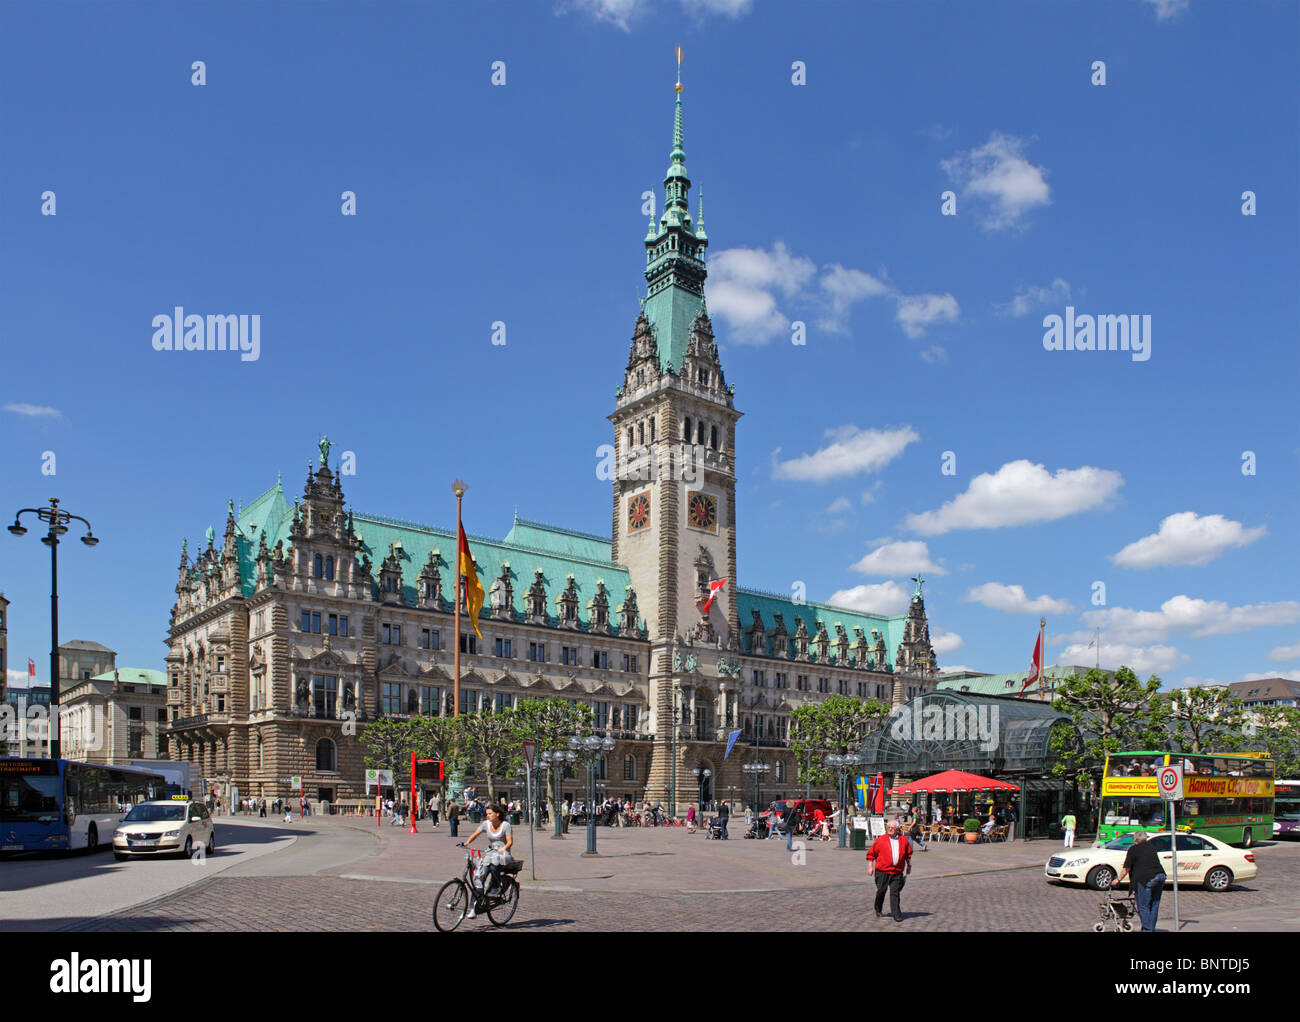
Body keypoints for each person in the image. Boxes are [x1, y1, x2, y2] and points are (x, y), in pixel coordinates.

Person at [459, 802, 515, 919]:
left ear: (497, 814)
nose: (487, 816)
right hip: (490, 852)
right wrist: (466, 843)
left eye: (490, 814)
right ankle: (474, 908)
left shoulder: (505, 825)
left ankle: (495, 887)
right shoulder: (486, 824)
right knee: (480, 875)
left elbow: (510, 842)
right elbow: (475, 834)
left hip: (503, 853)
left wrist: (503, 849)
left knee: (494, 865)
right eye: (486, 814)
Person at [1116, 831, 1166, 932]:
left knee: (1143, 906)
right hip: (1160, 876)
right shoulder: (1152, 847)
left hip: (1145, 879)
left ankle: (1147, 929)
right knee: (1154, 905)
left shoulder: (1133, 849)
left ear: (1135, 839)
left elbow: (1127, 868)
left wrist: (1118, 880)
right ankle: (1150, 928)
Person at [865, 819, 913, 922]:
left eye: (892, 828)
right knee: (881, 890)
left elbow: (908, 855)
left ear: (897, 829)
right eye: (888, 827)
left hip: (897, 871)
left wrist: (909, 866)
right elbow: (871, 854)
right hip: (882, 871)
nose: (890, 829)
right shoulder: (881, 840)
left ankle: (896, 914)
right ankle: (878, 908)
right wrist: (870, 867)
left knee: (895, 892)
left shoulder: (903, 840)